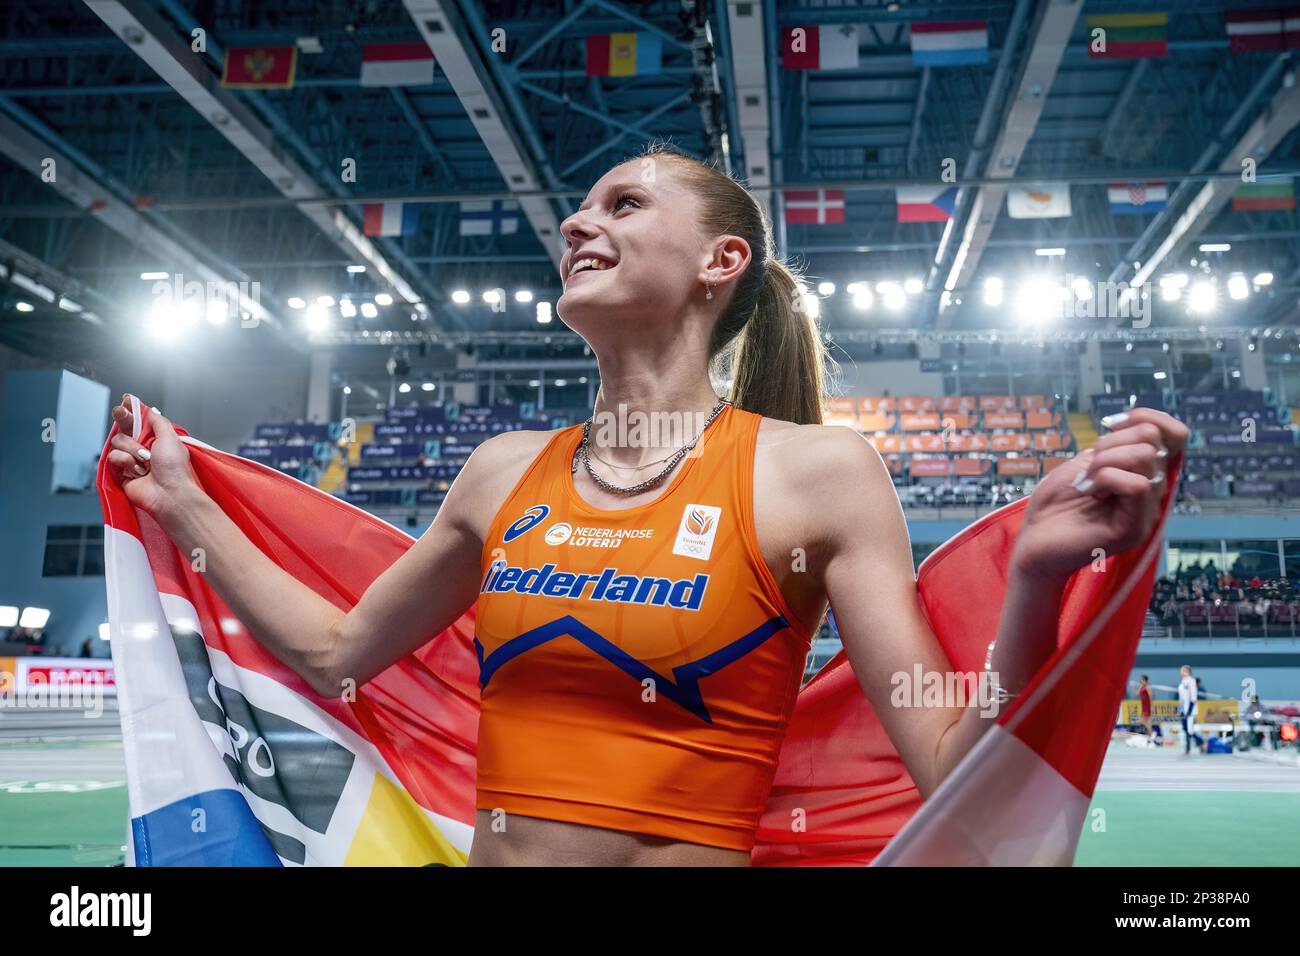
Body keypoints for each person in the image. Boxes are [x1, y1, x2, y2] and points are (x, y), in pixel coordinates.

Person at [103, 144, 1188, 867]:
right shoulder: (499, 469)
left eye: (621, 204)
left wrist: (1038, 579)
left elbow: (956, 769)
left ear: (723, 262)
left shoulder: (815, 473)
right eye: (576, 210)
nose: (578, 223)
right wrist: (185, 503)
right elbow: (339, 652)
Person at [1179, 665, 1203, 755]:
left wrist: (1189, 711)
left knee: (1189, 730)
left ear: (1188, 672)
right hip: (1183, 709)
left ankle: (1190, 748)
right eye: (1181, 671)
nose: (1181, 672)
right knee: (1185, 729)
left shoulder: (1191, 681)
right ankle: (1200, 744)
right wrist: (1181, 710)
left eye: (1184, 671)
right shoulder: (1182, 682)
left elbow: (1193, 697)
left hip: (1190, 710)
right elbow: (1181, 698)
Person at [1138, 674, 1154, 743]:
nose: (1139, 680)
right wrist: (1138, 687)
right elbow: (1137, 694)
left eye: (1141, 679)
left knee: (1145, 721)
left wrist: (1151, 706)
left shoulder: (1148, 686)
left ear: (1144, 680)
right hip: (1143, 706)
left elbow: (1150, 697)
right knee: (1146, 722)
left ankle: (1151, 735)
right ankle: (1150, 736)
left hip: (1147, 706)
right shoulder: (1142, 687)